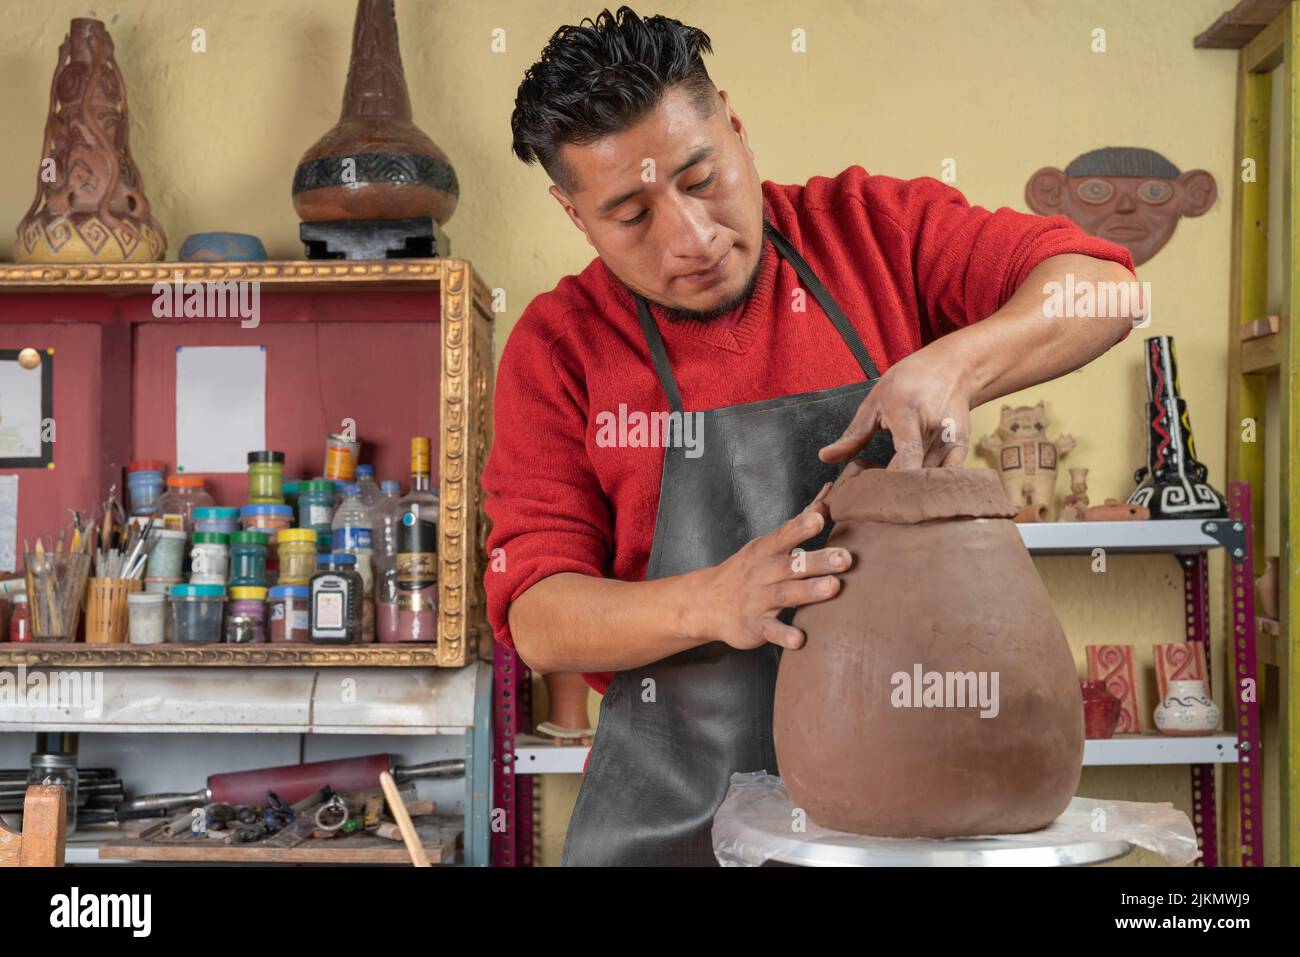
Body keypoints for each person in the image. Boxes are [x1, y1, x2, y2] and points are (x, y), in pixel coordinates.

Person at [484, 6, 1139, 866]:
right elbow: (537, 614)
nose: (693, 237)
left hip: (915, 794)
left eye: (700, 176)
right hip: (685, 814)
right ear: (574, 216)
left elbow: (1105, 291)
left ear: (736, 127)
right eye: (631, 215)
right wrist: (713, 601)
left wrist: (958, 364)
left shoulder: (872, 231)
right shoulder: (559, 344)